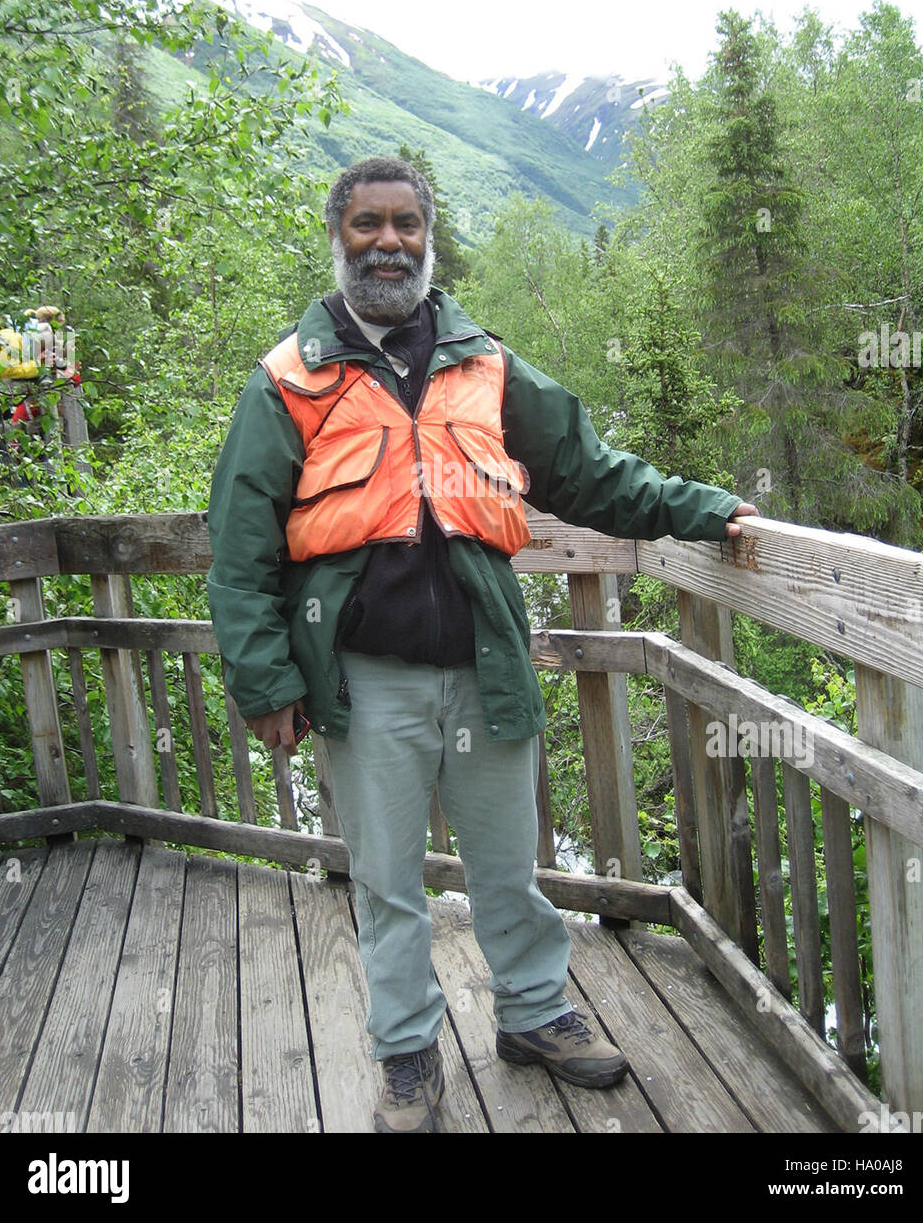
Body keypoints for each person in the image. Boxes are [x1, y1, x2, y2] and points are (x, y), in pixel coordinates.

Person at [206, 155, 758, 1134]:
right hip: (362, 679)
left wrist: (707, 510)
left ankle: (536, 1014)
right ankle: (410, 1053)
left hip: (483, 661)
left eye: (406, 225)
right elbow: (241, 549)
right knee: (386, 878)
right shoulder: (289, 378)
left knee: (509, 862)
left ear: (429, 237)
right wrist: (265, 681)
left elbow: (591, 475)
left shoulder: (485, 362)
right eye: (368, 225)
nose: (388, 242)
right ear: (339, 238)